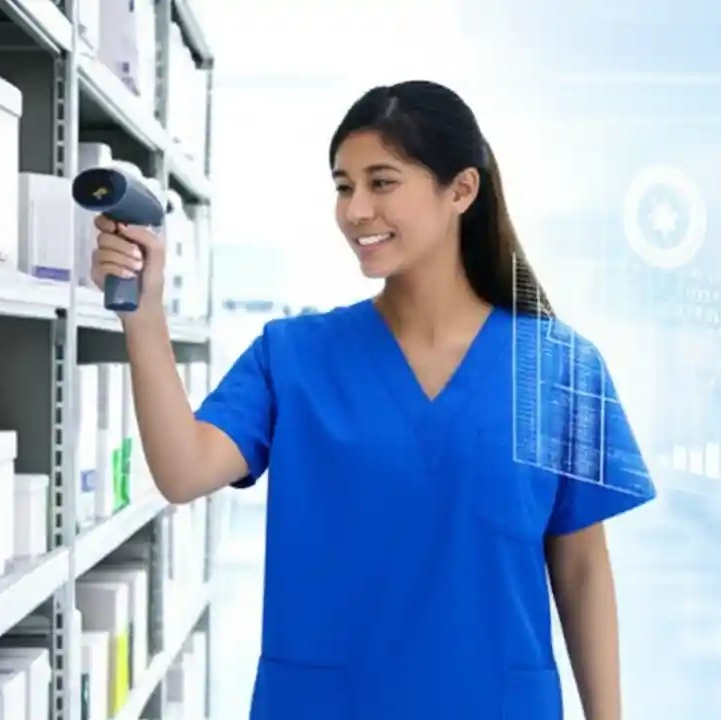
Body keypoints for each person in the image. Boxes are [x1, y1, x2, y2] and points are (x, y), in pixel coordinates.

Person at [90, 79, 657, 719]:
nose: (356, 210)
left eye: (381, 182)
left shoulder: (558, 365)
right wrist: (142, 318)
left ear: (461, 190)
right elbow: (183, 470)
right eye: (342, 185)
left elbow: (581, 569)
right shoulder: (294, 355)